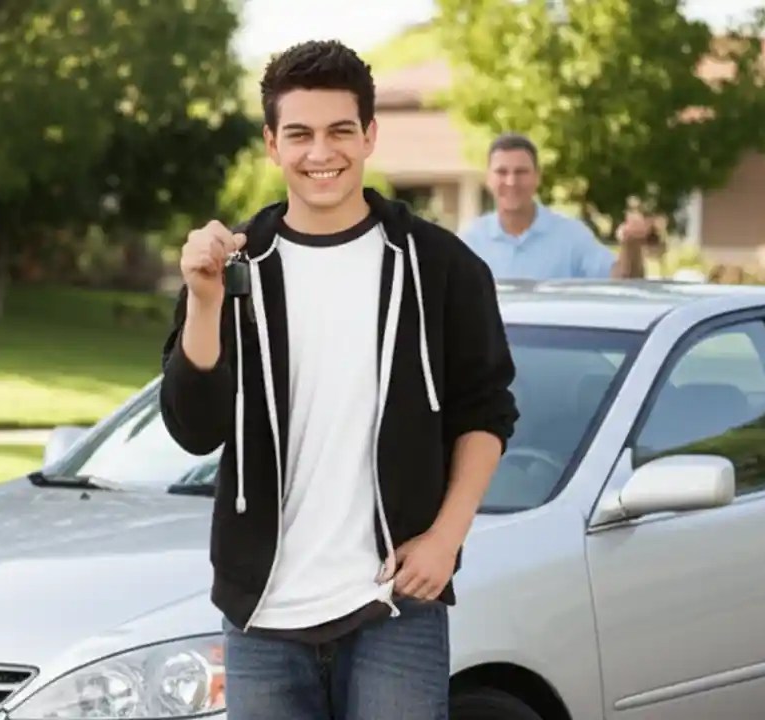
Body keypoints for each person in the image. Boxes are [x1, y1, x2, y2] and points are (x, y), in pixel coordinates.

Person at [158, 40, 518, 719]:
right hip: (262, 614)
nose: (320, 152)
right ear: (272, 143)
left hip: (394, 608)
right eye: (299, 134)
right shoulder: (235, 270)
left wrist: (446, 538)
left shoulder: (440, 267)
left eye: (339, 131)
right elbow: (194, 429)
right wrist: (204, 302)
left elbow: (486, 411)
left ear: (370, 135)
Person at [459, 132, 655, 280]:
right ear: (488, 179)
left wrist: (631, 246)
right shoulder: (469, 242)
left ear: (537, 177)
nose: (511, 181)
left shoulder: (571, 236)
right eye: (502, 172)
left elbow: (625, 284)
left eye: (521, 172)